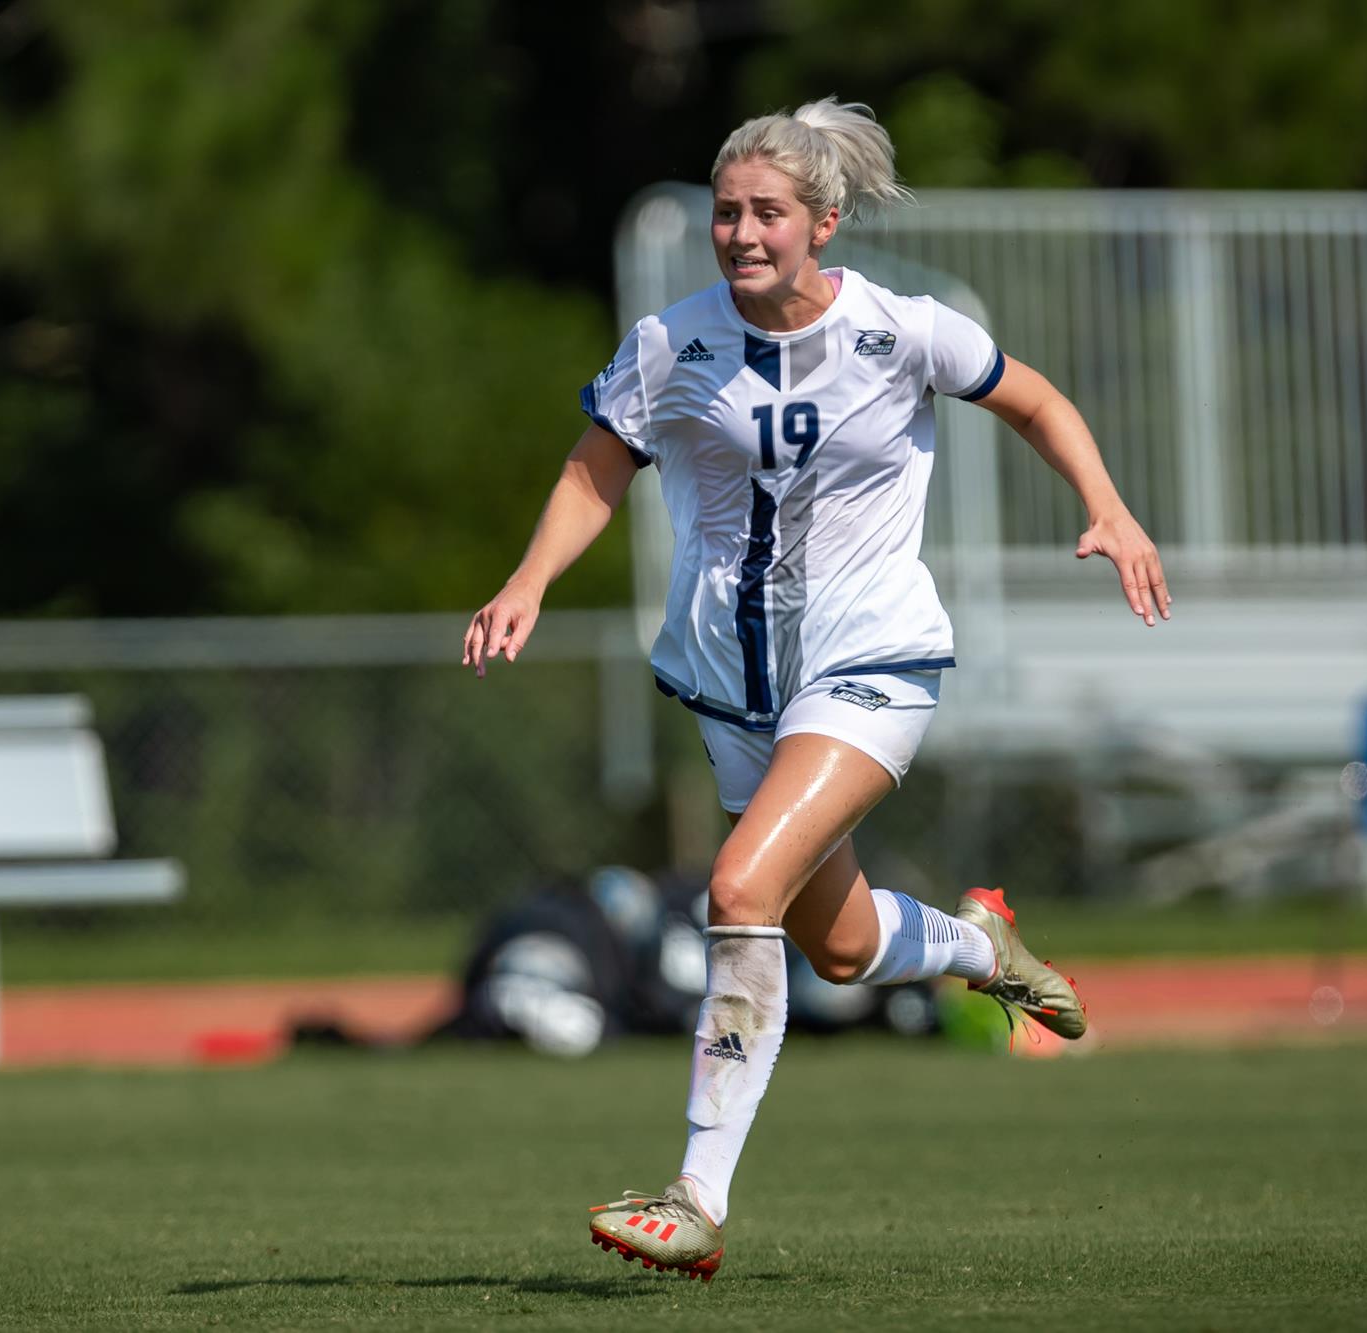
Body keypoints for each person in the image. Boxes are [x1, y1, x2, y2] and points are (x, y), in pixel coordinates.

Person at [461, 96, 1171, 1283]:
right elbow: (597, 463)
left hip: (869, 661)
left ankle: (695, 1195)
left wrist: (1105, 505)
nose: (740, 233)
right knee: (835, 948)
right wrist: (528, 578)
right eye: (727, 212)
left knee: (736, 884)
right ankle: (974, 944)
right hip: (733, 686)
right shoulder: (668, 344)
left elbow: (1035, 400)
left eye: (767, 214)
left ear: (823, 223)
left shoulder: (904, 332)